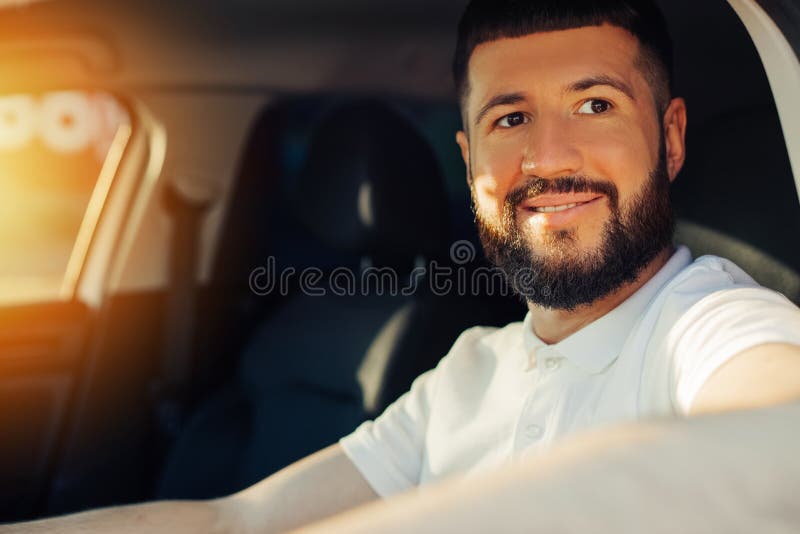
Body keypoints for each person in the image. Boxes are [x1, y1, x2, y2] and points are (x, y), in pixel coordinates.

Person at [3, 0, 799, 532]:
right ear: (470, 160)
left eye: (595, 104)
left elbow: (780, 433)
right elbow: (234, 522)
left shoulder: (710, 324)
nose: (547, 157)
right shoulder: (470, 372)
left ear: (671, 139)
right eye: (510, 116)